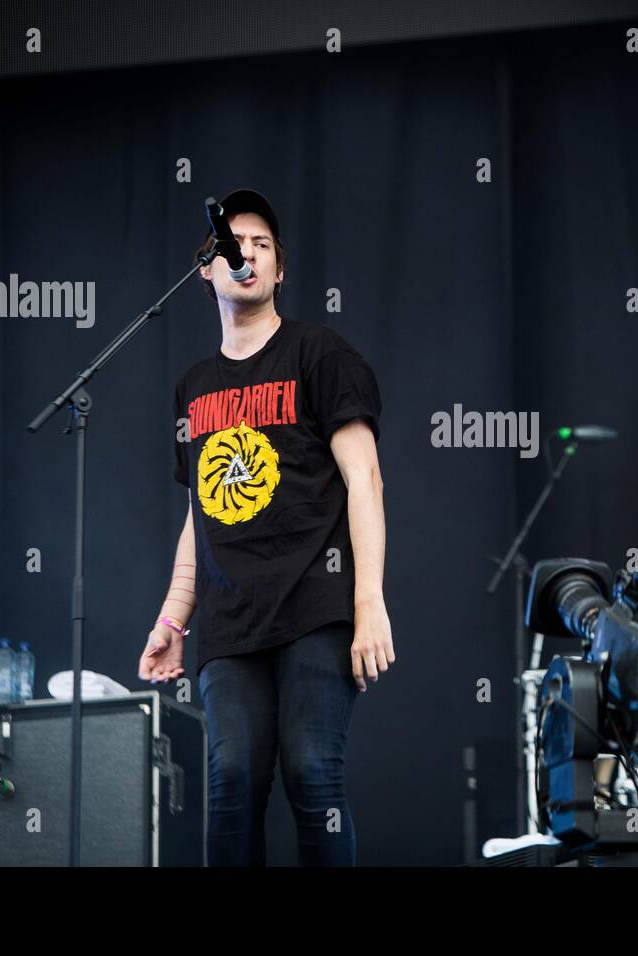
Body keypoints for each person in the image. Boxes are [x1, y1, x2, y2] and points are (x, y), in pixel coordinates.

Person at [137, 188, 393, 866]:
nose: (245, 253)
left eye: (261, 245)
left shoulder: (319, 354)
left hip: (316, 604)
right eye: (232, 245)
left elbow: (365, 479)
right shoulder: (193, 388)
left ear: (280, 270)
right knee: (231, 779)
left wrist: (369, 602)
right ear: (207, 271)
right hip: (229, 620)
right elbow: (199, 514)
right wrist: (173, 619)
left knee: (311, 770)